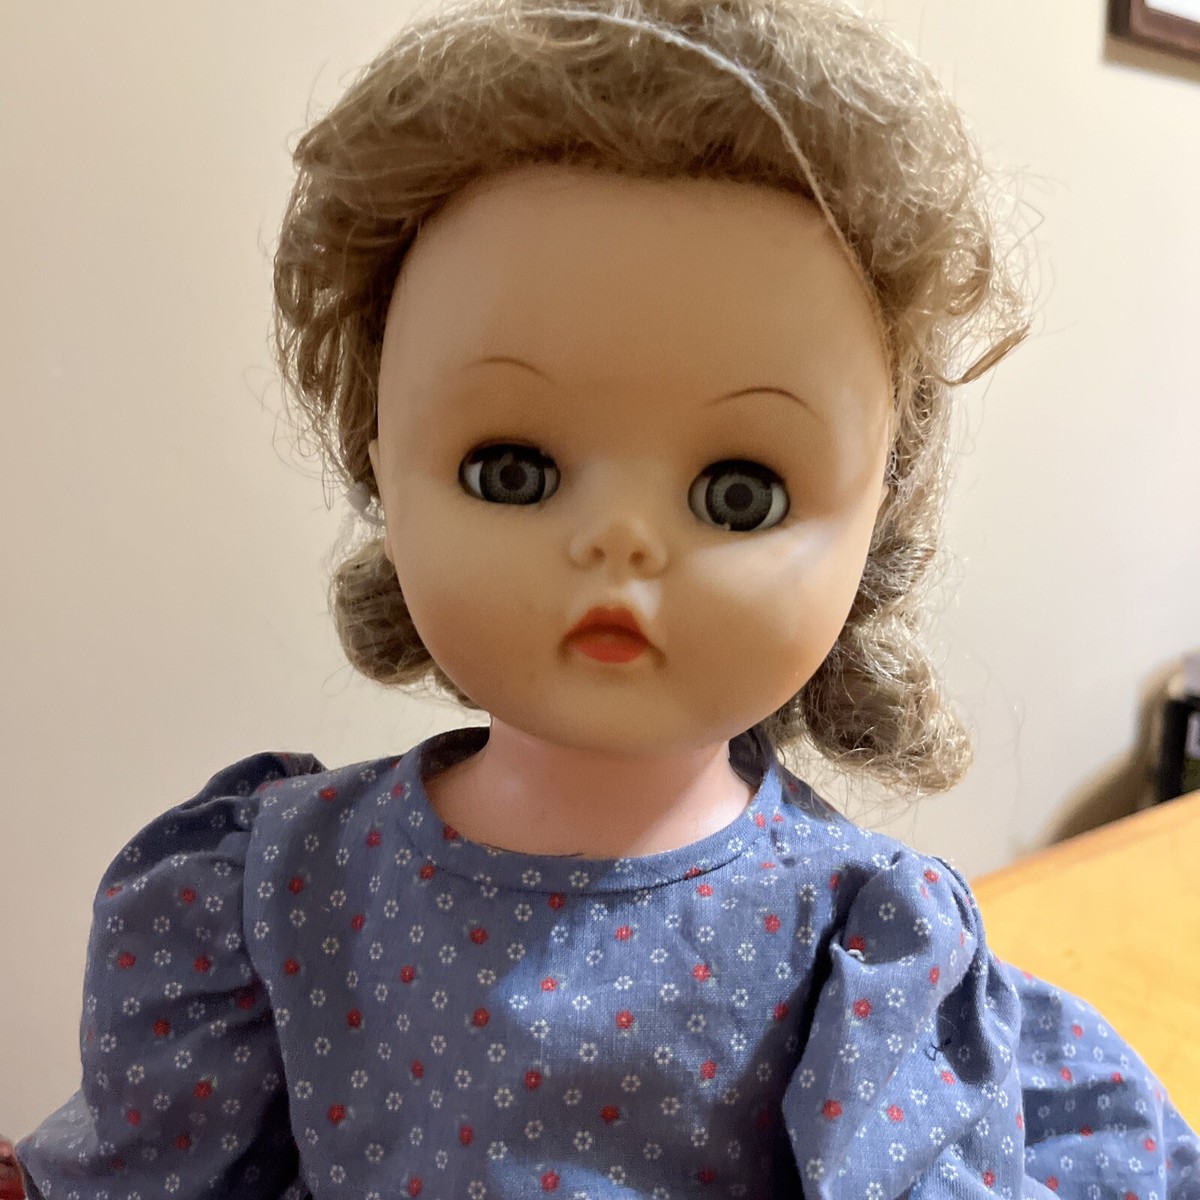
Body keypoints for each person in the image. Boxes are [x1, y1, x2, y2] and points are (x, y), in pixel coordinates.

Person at [9, 0, 1199, 1196]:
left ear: (877, 518)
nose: (620, 542)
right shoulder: (277, 891)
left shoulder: (856, 942)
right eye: (510, 471)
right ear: (381, 468)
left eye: (739, 494)